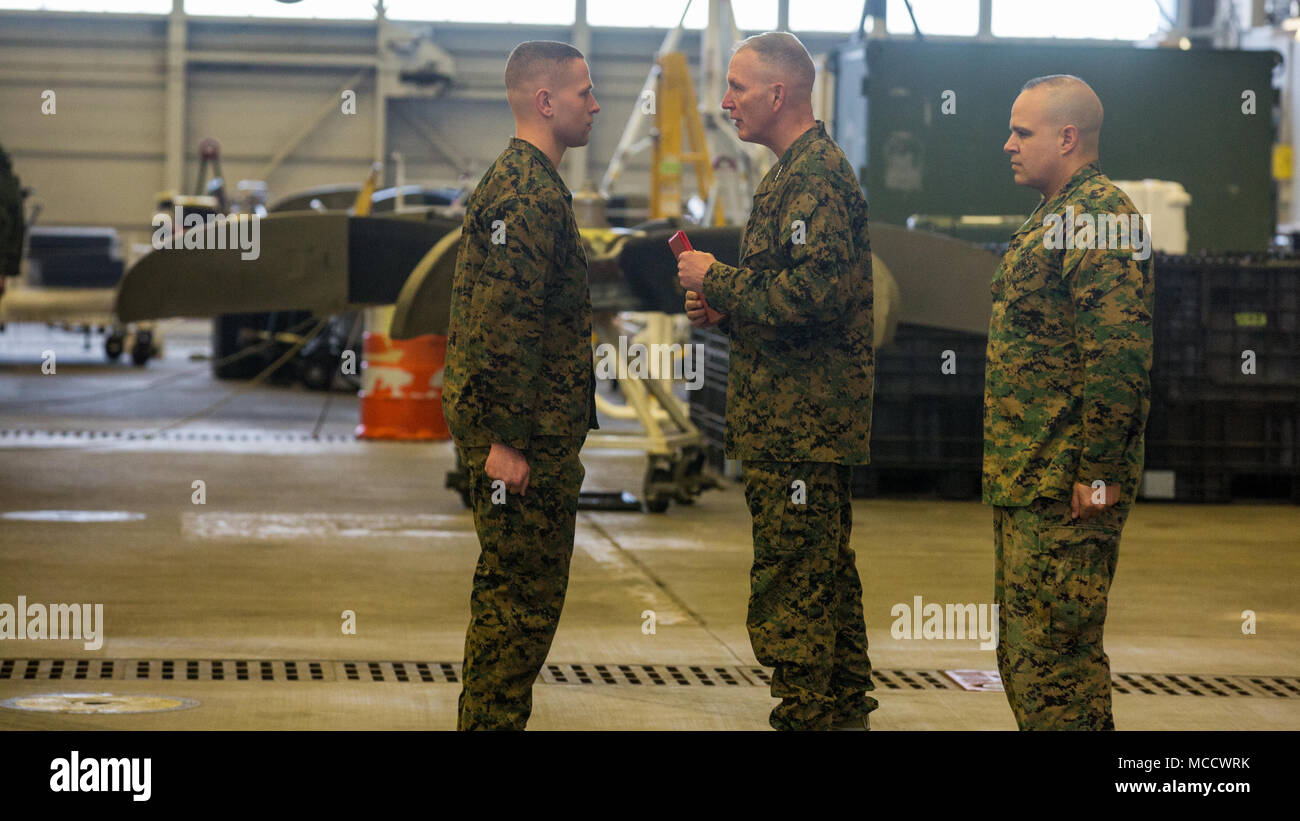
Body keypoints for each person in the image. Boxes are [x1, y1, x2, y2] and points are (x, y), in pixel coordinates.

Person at [677, 32, 876, 731]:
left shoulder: (813, 176)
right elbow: (788, 304)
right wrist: (724, 304)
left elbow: (814, 297)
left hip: (804, 429)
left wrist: (717, 279)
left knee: (797, 589)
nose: (725, 101)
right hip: (791, 421)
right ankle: (838, 715)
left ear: (778, 93)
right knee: (821, 579)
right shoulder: (790, 173)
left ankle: (813, 718)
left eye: (736, 87)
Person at [986, 74, 1154, 730]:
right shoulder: (1056, 215)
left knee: (1056, 665)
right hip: (1030, 478)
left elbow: (1118, 357)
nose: (1008, 145)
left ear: (1067, 137)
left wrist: (1099, 469)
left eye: (1022, 132)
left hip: (1066, 485)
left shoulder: (1098, 218)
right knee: (1032, 661)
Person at [441, 40, 600, 730]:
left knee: (518, 612)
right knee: (516, 615)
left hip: (533, 440)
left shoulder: (527, 184)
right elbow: (506, 322)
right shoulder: (528, 192)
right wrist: (506, 440)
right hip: (523, 447)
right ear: (546, 101)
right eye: (584, 92)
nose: (595, 104)